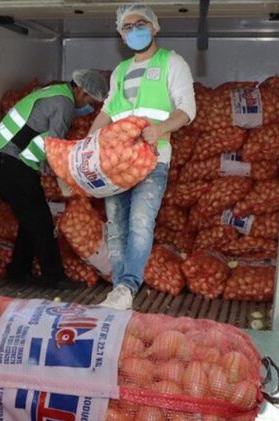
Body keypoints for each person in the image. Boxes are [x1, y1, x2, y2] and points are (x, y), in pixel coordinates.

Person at [89, 4, 196, 309]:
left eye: (141, 24)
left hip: (152, 159)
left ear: (154, 27)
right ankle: (119, 291)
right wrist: (86, 143)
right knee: (116, 226)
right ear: (121, 35)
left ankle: (127, 286)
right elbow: (108, 111)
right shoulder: (120, 71)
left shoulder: (172, 62)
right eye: (128, 27)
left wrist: (160, 129)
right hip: (118, 162)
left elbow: (187, 109)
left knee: (140, 222)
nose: (134, 30)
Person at [0, 69, 108, 288]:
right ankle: (54, 277)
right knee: (40, 219)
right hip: (11, 159)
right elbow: (55, 148)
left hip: (10, 157)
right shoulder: (64, 103)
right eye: (90, 101)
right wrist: (66, 182)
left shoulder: (56, 91)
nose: (89, 108)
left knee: (30, 218)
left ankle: (18, 271)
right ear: (81, 91)